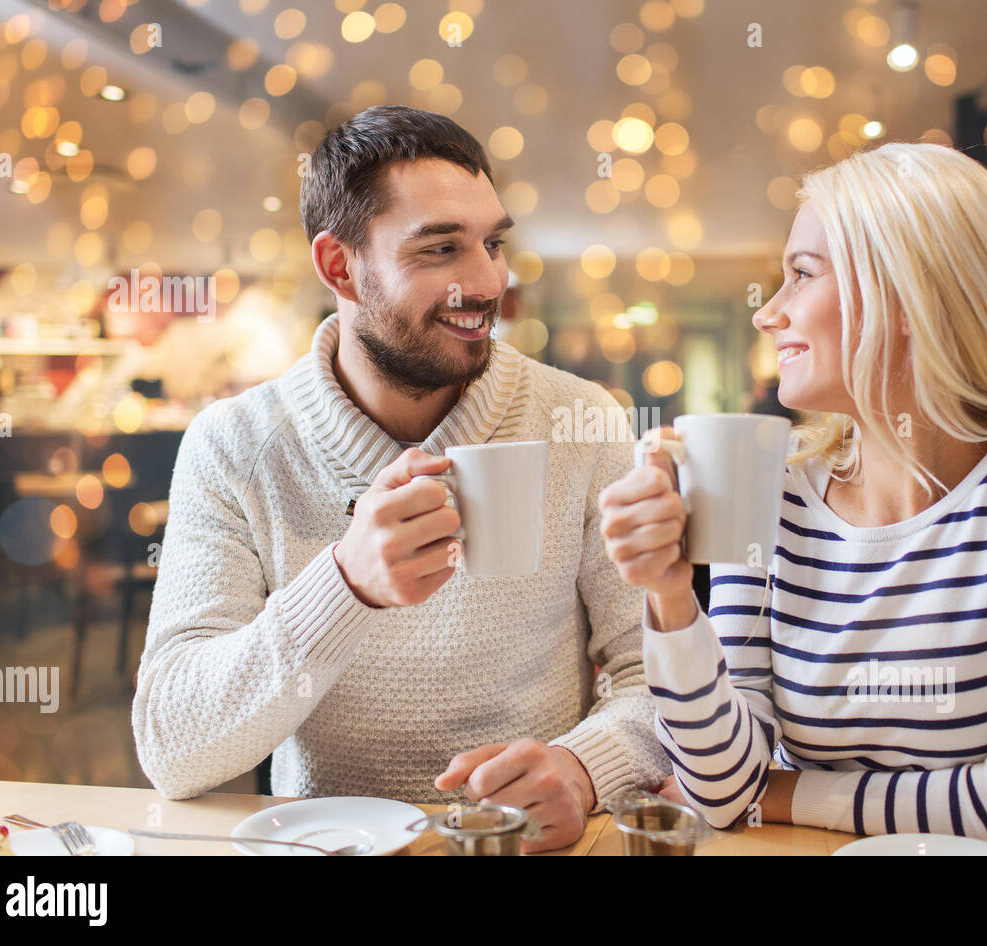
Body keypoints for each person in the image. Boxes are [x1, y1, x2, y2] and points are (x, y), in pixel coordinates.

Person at [132, 105, 668, 852]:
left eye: (492, 243)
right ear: (339, 267)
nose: (486, 283)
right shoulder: (234, 446)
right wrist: (344, 584)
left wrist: (583, 769)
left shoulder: (581, 421)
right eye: (441, 249)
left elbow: (659, 678)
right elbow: (173, 750)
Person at [598, 142, 987, 854]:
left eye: (801, 275)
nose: (770, 314)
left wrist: (786, 793)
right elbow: (723, 787)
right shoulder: (774, 489)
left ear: (904, 294)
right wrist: (670, 598)